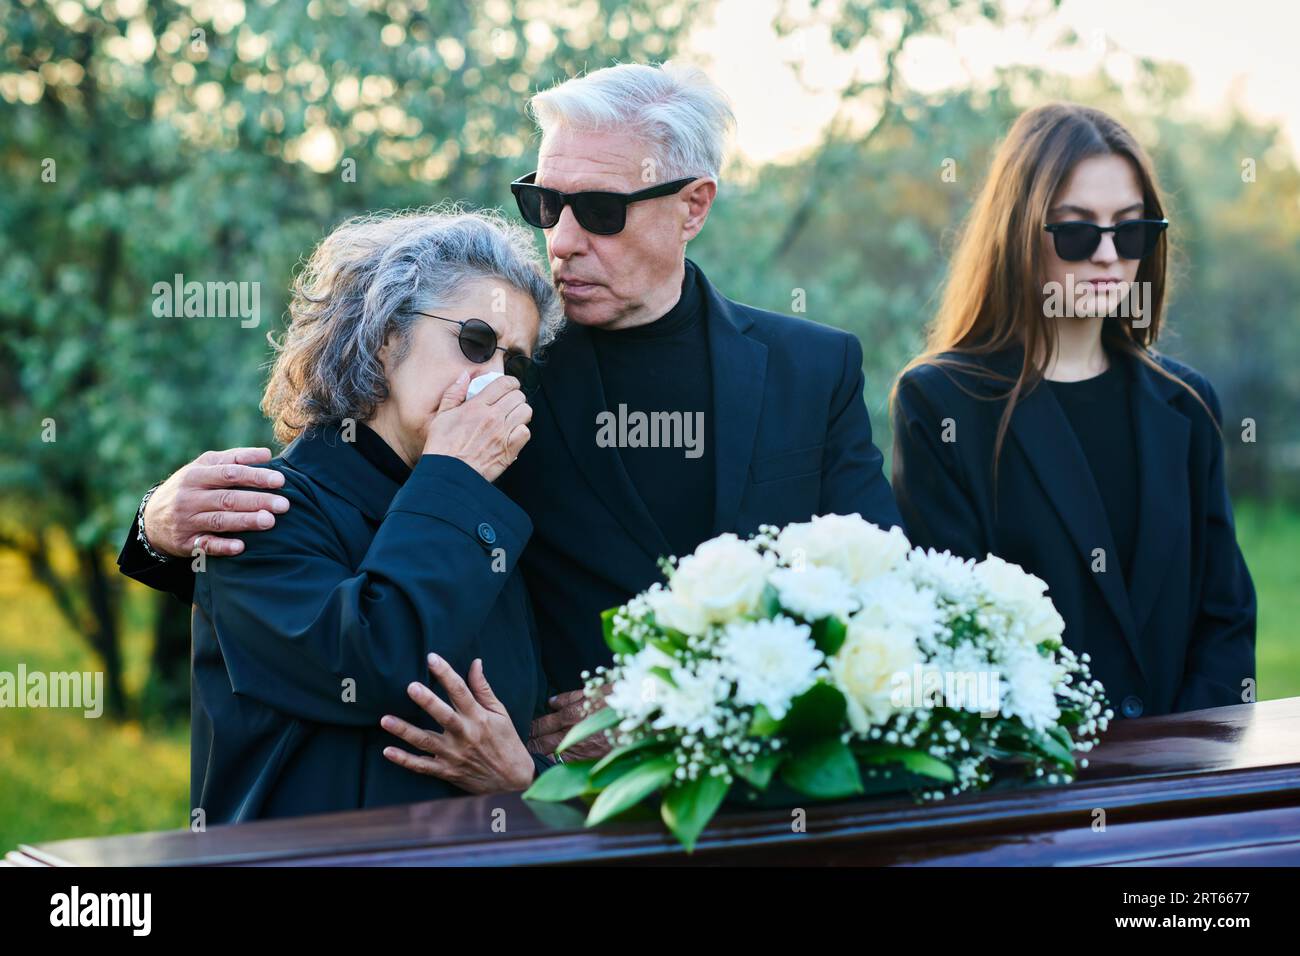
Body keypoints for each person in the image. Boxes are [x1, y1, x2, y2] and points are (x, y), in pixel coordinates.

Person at [118, 63, 903, 765]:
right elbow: (346, 517)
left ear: (693, 205)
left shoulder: (813, 365)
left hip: (775, 808)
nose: (560, 240)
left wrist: (686, 711)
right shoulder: (494, 357)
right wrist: (156, 529)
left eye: (598, 209)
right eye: (545, 202)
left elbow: (881, 601)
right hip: (543, 810)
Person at [173, 208, 563, 822]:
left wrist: (524, 777)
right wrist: (456, 477)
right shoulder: (268, 508)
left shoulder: (489, 521)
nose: (494, 383)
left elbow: (511, 733)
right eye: (476, 342)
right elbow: (379, 663)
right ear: (386, 337)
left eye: (514, 364)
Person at [891, 103, 1255, 719]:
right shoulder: (941, 402)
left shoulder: (1186, 405)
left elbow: (1224, 621)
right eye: (1078, 230)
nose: (1109, 255)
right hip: (1035, 791)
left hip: (1183, 790)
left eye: (1132, 229)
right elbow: (950, 639)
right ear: (1019, 233)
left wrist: (1179, 765)